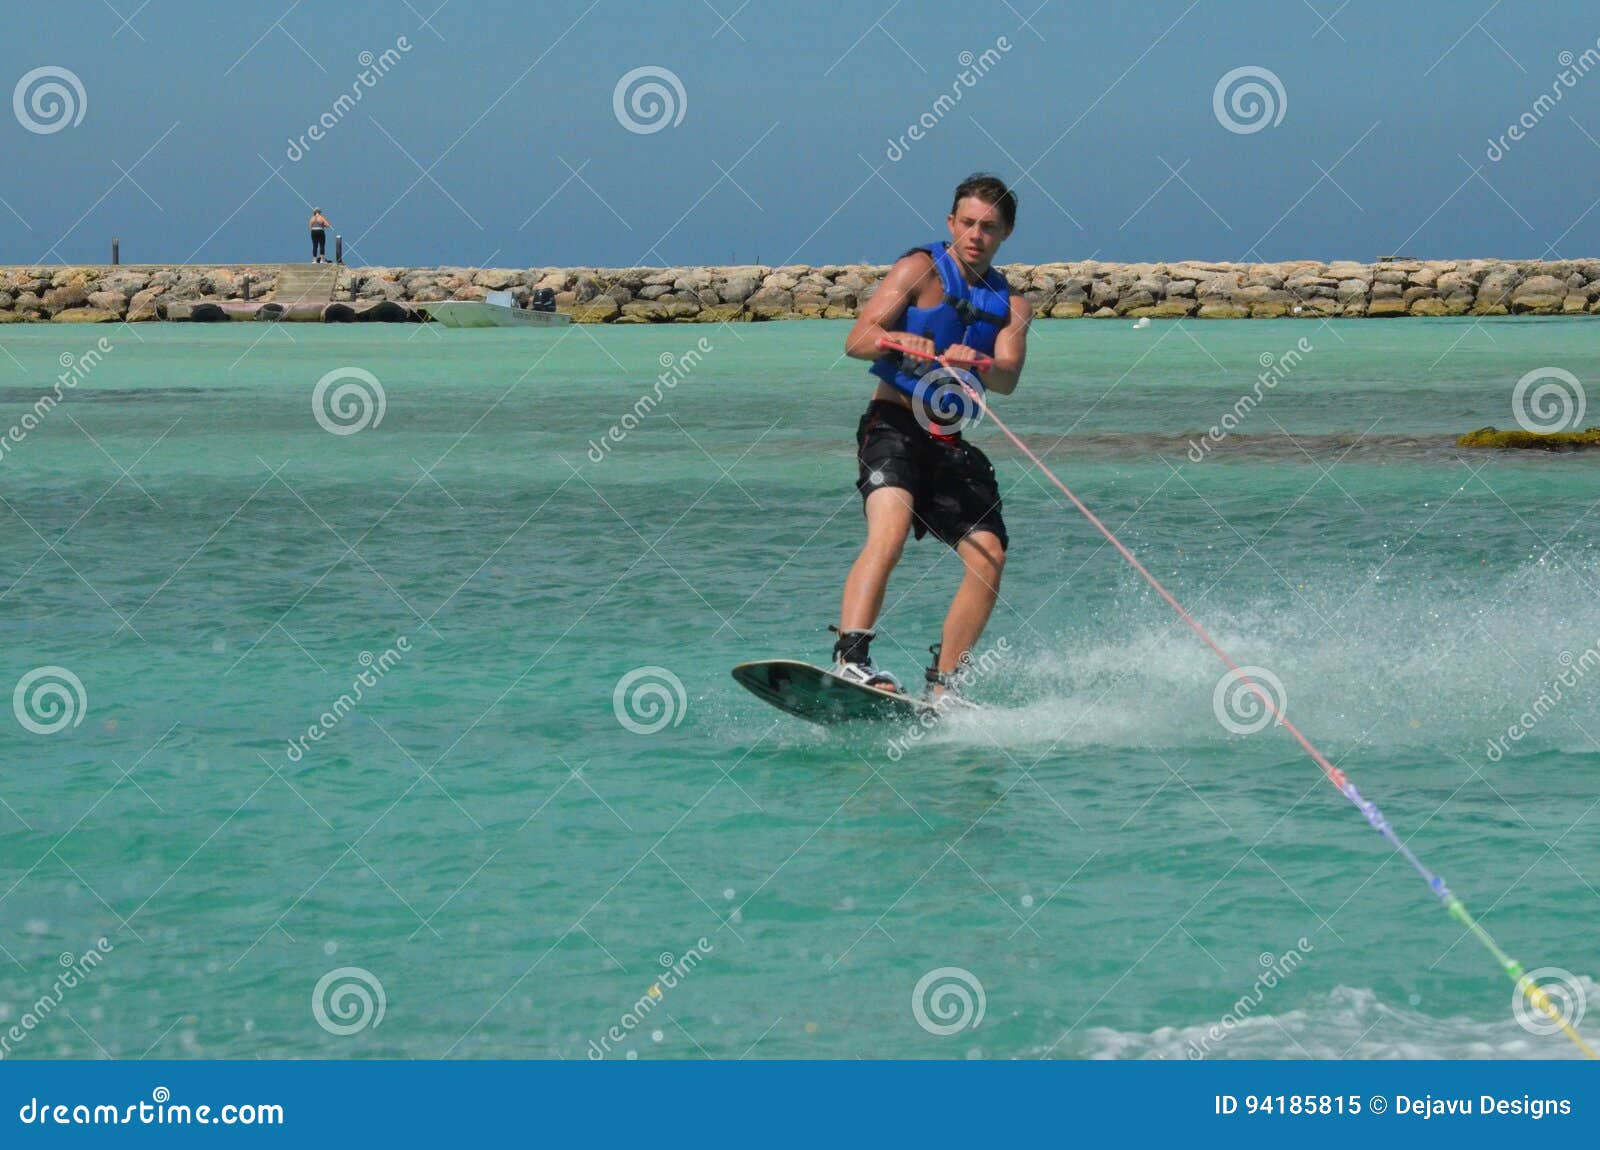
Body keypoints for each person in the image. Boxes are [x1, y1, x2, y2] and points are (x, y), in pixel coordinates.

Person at [836, 173, 1031, 703]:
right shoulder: (918, 269)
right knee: (890, 531)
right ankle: (852, 660)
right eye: (967, 223)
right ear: (950, 223)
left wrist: (982, 362)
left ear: (1005, 234)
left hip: (947, 441)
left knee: (989, 555)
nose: (975, 234)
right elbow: (855, 340)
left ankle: (945, 683)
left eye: (988, 227)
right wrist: (890, 338)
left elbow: (1008, 377)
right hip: (892, 426)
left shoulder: (1012, 303)